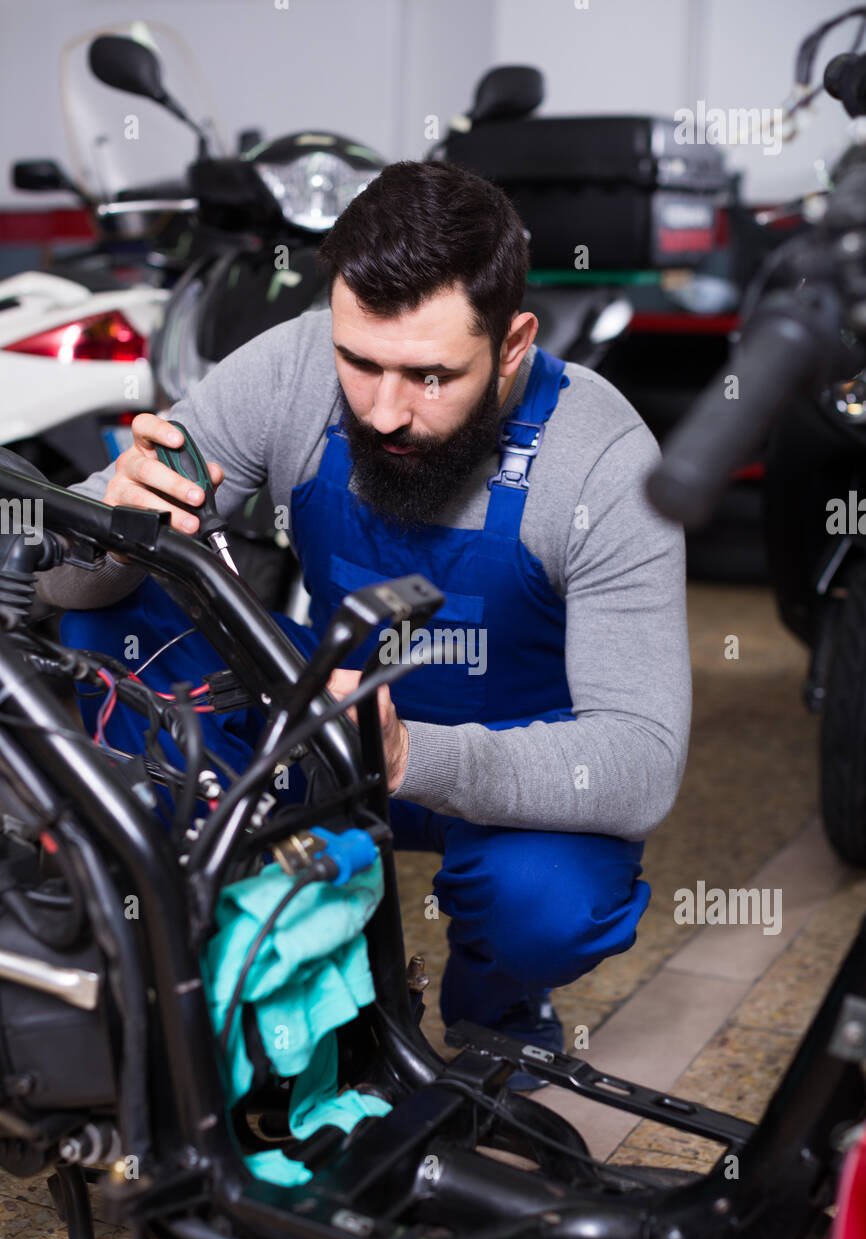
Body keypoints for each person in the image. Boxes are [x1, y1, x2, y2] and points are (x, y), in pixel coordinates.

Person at [37, 160, 692, 1088]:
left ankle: (499, 1008)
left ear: (511, 347)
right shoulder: (294, 364)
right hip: (323, 712)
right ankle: (232, 958)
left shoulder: (604, 463)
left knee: (545, 906)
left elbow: (641, 764)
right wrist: (112, 532)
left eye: (430, 375)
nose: (385, 411)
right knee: (112, 621)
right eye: (363, 363)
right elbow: (57, 573)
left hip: (502, 760)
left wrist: (405, 758)